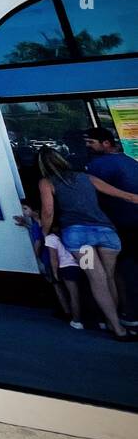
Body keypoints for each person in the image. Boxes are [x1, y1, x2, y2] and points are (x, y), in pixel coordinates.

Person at [37, 146, 138, 339]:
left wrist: (44, 233)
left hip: (78, 237)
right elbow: (126, 196)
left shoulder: (47, 182)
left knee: (96, 279)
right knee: (109, 278)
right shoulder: (87, 178)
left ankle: (117, 328)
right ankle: (111, 321)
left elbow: (48, 212)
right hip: (107, 233)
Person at [84, 127, 138, 326]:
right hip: (128, 223)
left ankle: (121, 315)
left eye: (91, 142)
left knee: (114, 272)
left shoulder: (99, 166)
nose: (87, 146)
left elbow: (94, 195)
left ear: (106, 143)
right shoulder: (130, 162)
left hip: (115, 226)